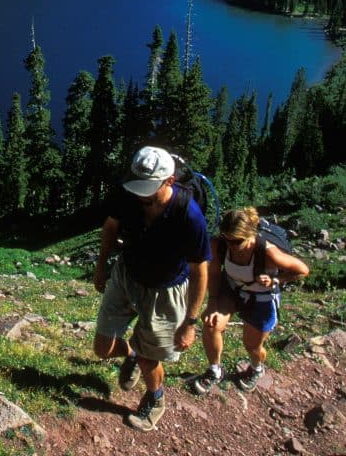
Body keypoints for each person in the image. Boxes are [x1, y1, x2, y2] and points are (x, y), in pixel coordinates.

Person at [93, 146, 209, 432]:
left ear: (169, 181)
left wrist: (190, 322)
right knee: (102, 348)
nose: (141, 194)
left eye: (148, 189)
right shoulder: (129, 194)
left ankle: (155, 399)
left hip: (164, 289)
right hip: (126, 275)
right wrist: (101, 265)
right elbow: (110, 227)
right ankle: (131, 353)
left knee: (150, 359)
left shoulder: (188, 215)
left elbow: (200, 270)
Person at [192, 206, 309, 395]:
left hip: (261, 297)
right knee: (212, 325)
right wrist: (212, 301)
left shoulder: (268, 252)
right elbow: (214, 273)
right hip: (231, 288)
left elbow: (302, 270)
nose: (231, 245)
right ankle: (214, 370)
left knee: (252, 346)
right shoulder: (219, 244)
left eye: (237, 241)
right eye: (227, 239)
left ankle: (256, 368)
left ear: (250, 235)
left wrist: (276, 280)